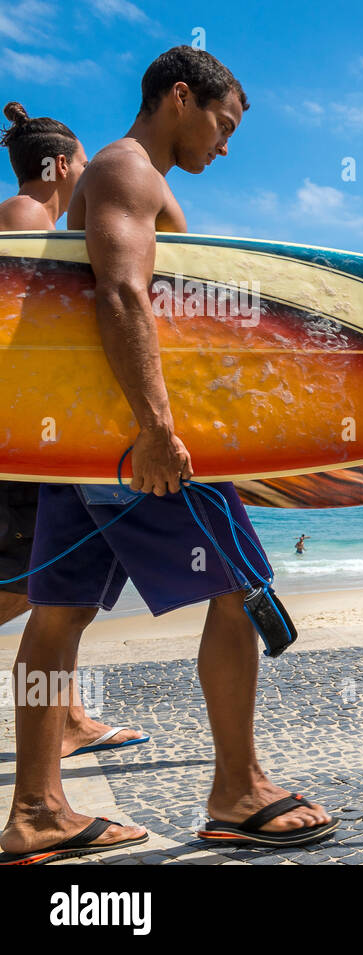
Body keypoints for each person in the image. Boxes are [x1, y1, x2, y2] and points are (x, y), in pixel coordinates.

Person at [3, 49, 336, 866]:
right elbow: (120, 293)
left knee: (58, 615)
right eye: (222, 125)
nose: (225, 146)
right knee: (240, 591)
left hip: (84, 441)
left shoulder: (123, 175)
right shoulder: (127, 171)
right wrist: (157, 426)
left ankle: (39, 810)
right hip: (135, 442)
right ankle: (238, 789)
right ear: (180, 97)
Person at [0, 103, 149, 763]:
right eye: (82, 166)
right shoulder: (27, 215)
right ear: (59, 166)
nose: (89, 180)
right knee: (36, 586)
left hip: (40, 430)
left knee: (58, 592)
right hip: (25, 432)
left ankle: (70, 718)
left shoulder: (31, 217)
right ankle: (62, 724)